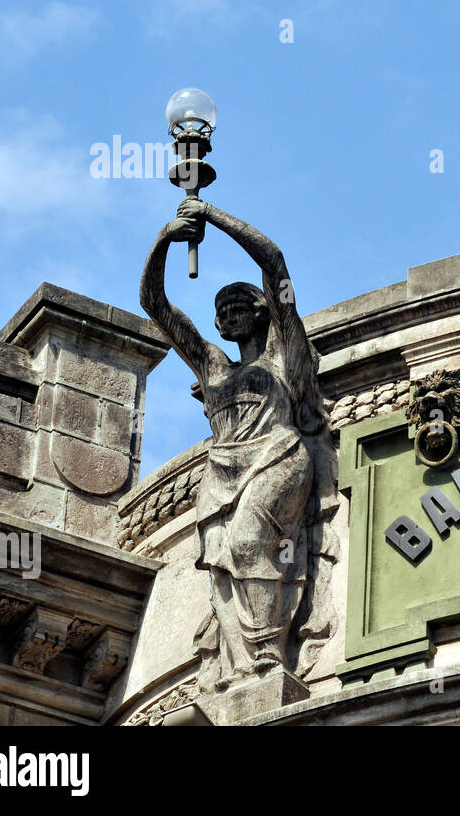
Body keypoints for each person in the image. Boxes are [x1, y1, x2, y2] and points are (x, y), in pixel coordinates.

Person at [139, 199, 337, 691]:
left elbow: (274, 261)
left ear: (261, 309)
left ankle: (270, 653)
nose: (225, 313)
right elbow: (154, 304)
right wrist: (167, 238)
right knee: (221, 563)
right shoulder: (212, 366)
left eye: (236, 304)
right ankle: (245, 664)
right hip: (222, 471)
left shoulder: (283, 355)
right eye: (219, 310)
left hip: (279, 457)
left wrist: (211, 215)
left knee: (249, 541)